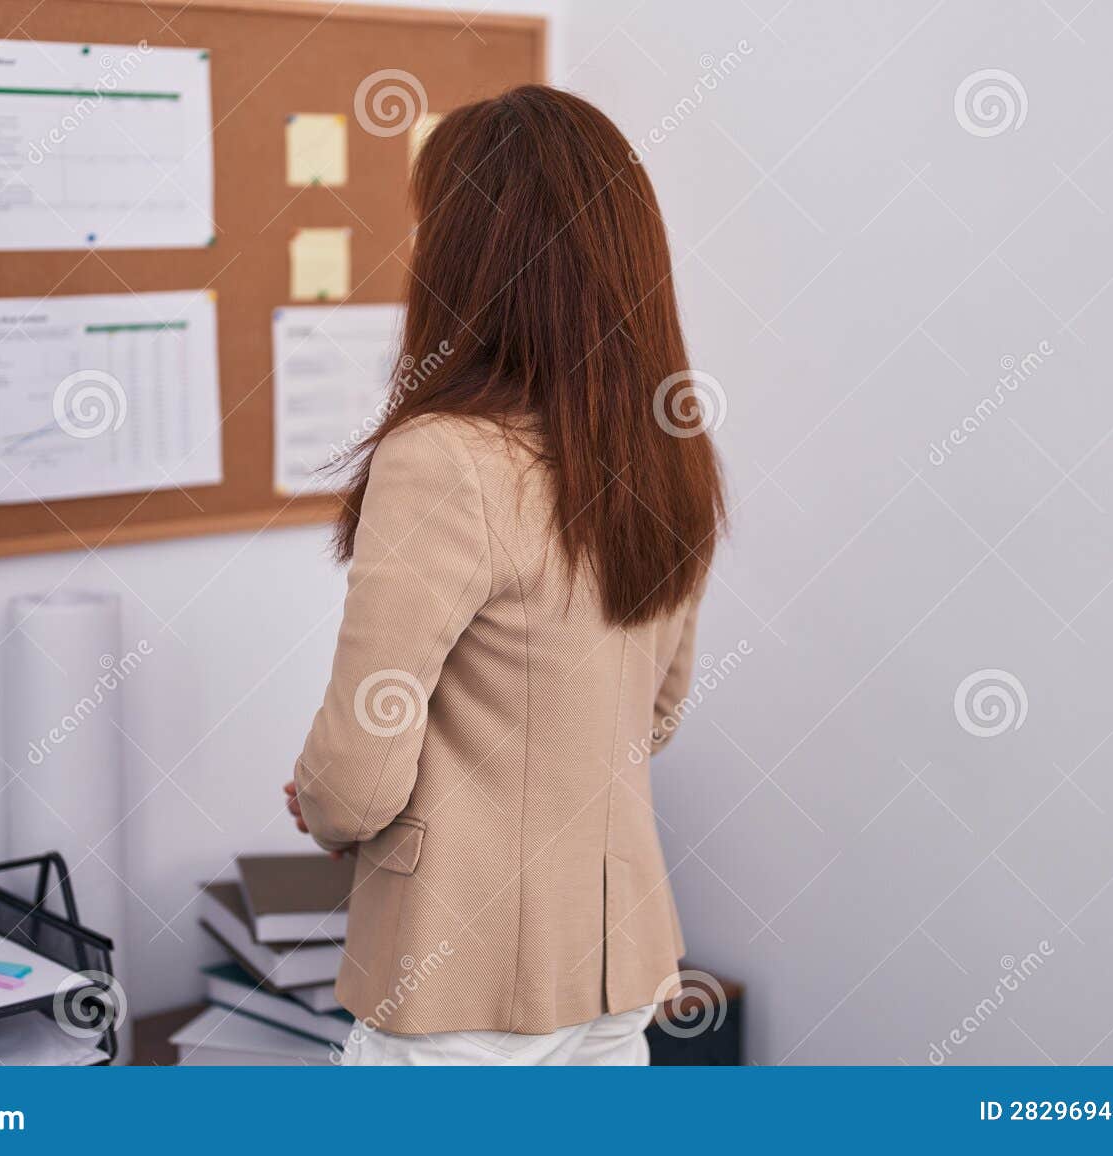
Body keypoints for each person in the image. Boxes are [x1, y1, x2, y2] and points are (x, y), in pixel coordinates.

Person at [283, 84, 725, 1066]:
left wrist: (322, 798)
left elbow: (357, 777)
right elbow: (653, 712)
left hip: (457, 987)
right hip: (613, 978)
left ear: (465, 257)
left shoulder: (444, 456)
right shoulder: (667, 446)